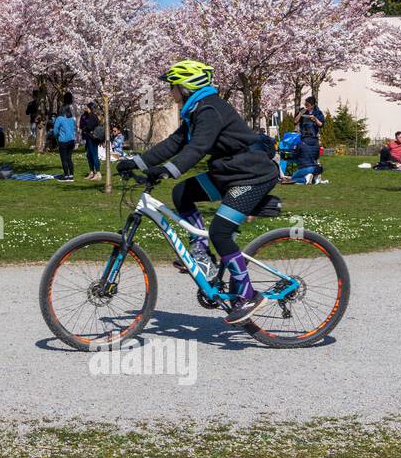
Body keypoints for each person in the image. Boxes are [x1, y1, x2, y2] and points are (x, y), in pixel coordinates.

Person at [116, 59, 280, 325]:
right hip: (229, 172)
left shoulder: (210, 110)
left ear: (186, 86)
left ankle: (248, 295)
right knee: (182, 193)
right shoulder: (197, 110)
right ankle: (202, 256)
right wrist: (136, 163)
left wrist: (167, 170)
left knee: (220, 231)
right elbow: (175, 143)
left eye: (173, 87)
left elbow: (198, 148)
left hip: (252, 175)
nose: (171, 92)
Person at [52, 109, 77, 181]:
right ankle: (71, 175)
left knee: (64, 159)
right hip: (71, 141)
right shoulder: (72, 119)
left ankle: (66, 175)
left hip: (63, 141)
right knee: (69, 158)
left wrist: (56, 136)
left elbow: (55, 130)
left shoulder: (59, 119)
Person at [80, 102, 102, 180]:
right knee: (89, 155)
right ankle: (92, 172)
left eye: (87, 107)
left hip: (93, 138)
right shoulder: (89, 116)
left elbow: (89, 127)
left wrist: (85, 128)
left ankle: (98, 173)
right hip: (89, 138)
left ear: (90, 108)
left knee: (94, 155)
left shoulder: (93, 116)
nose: (86, 108)